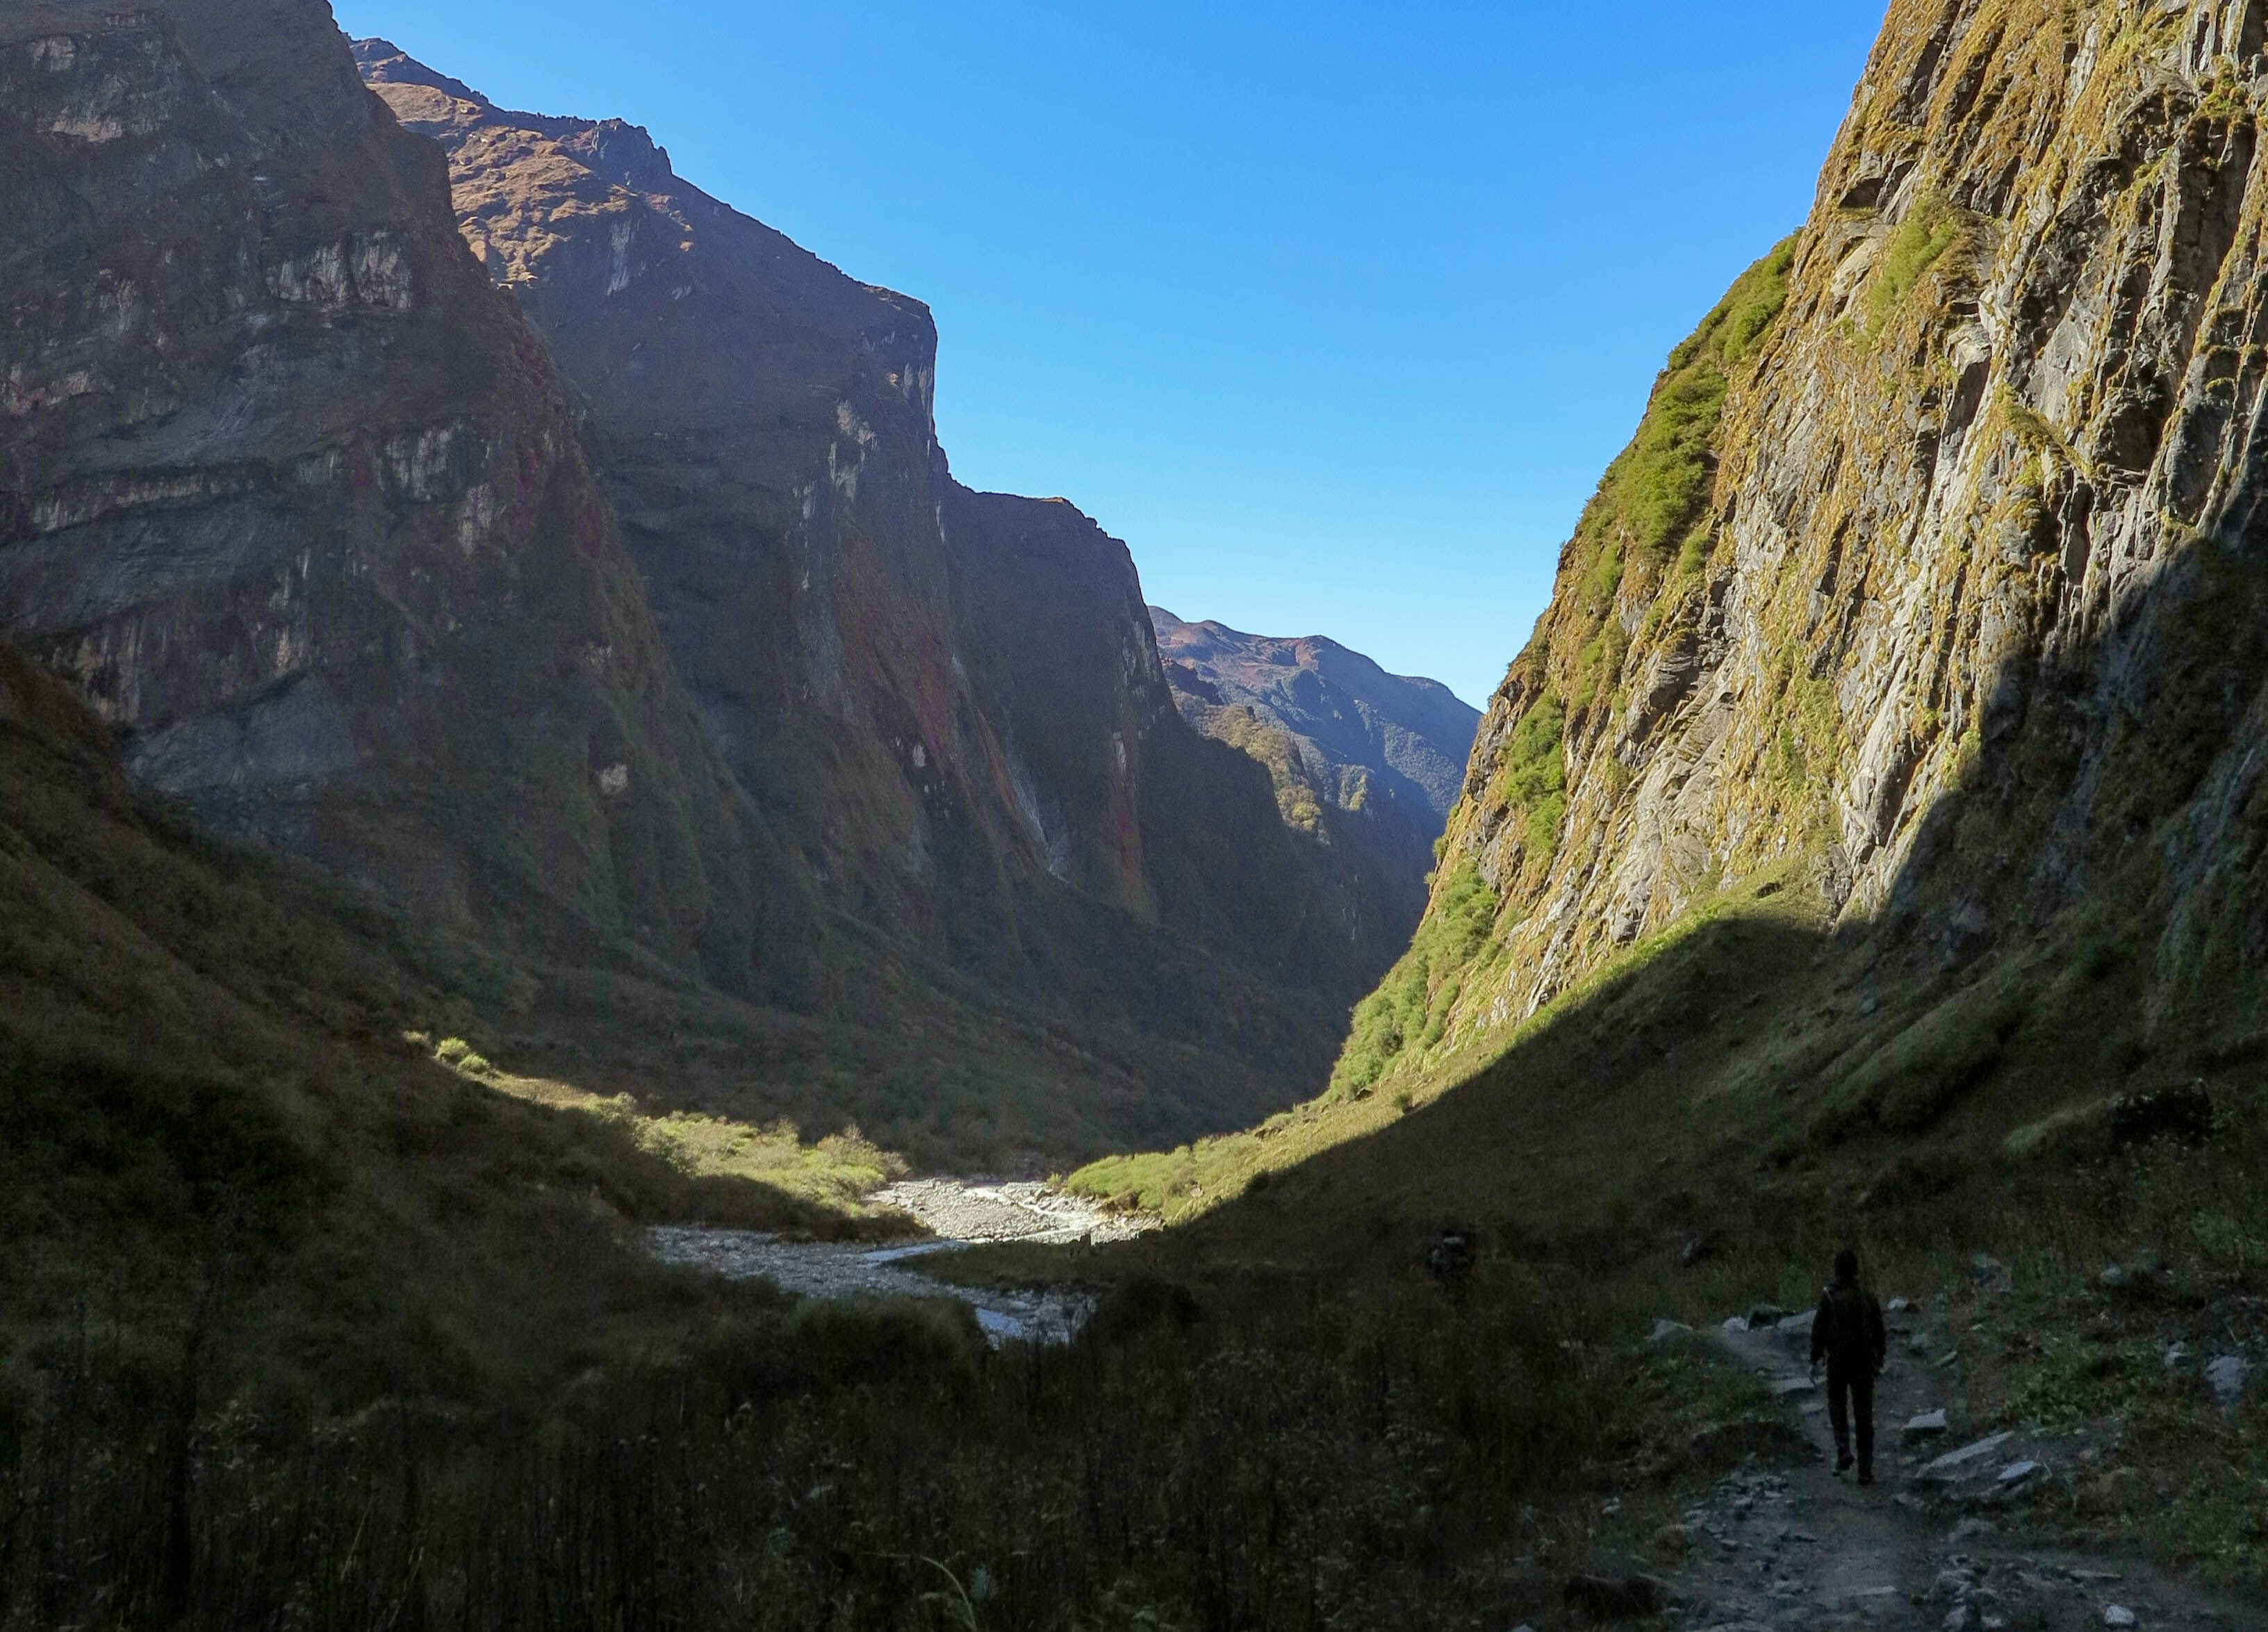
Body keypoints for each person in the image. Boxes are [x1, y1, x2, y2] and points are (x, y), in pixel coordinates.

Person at [1809, 1248, 1887, 1483]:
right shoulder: (1868, 1295)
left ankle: (1843, 1449)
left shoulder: (1829, 1296)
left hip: (1838, 1361)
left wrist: (1814, 1359)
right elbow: (1879, 1331)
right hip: (1863, 1362)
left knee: (1837, 1406)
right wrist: (1879, 1359)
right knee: (1864, 1415)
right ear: (1856, 1269)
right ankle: (1866, 1470)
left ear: (1836, 1269)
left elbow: (1819, 1329)